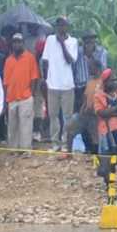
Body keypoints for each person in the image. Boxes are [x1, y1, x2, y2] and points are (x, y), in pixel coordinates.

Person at [40, 15, 79, 144]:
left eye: (63, 25)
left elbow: (70, 60)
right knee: (53, 116)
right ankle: (55, 143)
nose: (60, 27)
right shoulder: (50, 39)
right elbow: (45, 61)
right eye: (58, 25)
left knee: (67, 117)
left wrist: (62, 43)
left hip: (67, 86)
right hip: (52, 85)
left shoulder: (73, 41)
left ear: (67, 26)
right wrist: (45, 79)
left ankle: (65, 142)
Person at [0, 32, 39, 152]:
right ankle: (13, 149)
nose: (17, 44)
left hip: (26, 97)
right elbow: (5, 82)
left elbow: (34, 78)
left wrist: (31, 94)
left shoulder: (30, 57)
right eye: (14, 42)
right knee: (12, 125)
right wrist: (5, 99)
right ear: (12, 44)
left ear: (23, 43)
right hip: (11, 97)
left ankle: (25, 149)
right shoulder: (8, 60)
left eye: (19, 42)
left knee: (26, 125)